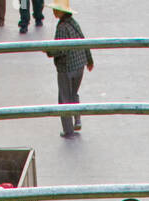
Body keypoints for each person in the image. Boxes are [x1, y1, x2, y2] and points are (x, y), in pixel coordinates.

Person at [46, 2, 93, 138]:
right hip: (80, 65)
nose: (54, 11)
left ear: (62, 12)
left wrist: (47, 50)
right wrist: (89, 60)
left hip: (66, 68)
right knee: (74, 93)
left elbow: (60, 49)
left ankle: (68, 131)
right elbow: (84, 41)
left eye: (56, 9)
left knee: (64, 99)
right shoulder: (74, 23)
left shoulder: (62, 27)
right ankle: (77, 119)